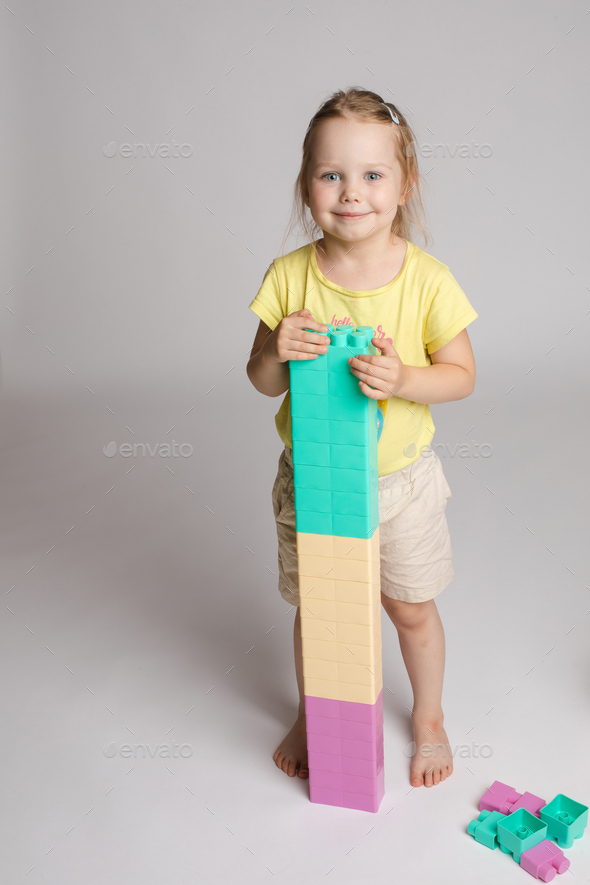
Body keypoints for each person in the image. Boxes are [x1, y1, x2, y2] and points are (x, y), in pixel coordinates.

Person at [246, 87, 478, 789]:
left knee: (409, 607)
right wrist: (276, 351)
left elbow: (461, 375)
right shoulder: (289, 277)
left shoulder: (427, 280)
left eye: (373, 174)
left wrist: (404, 377)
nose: (352, 193)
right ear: (306, 185)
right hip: (316, 478)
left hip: (399, 482)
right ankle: (314, 713)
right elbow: (261, 381)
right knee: (321, 612)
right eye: (331, 174)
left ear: (405, 184)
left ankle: (429, 717)